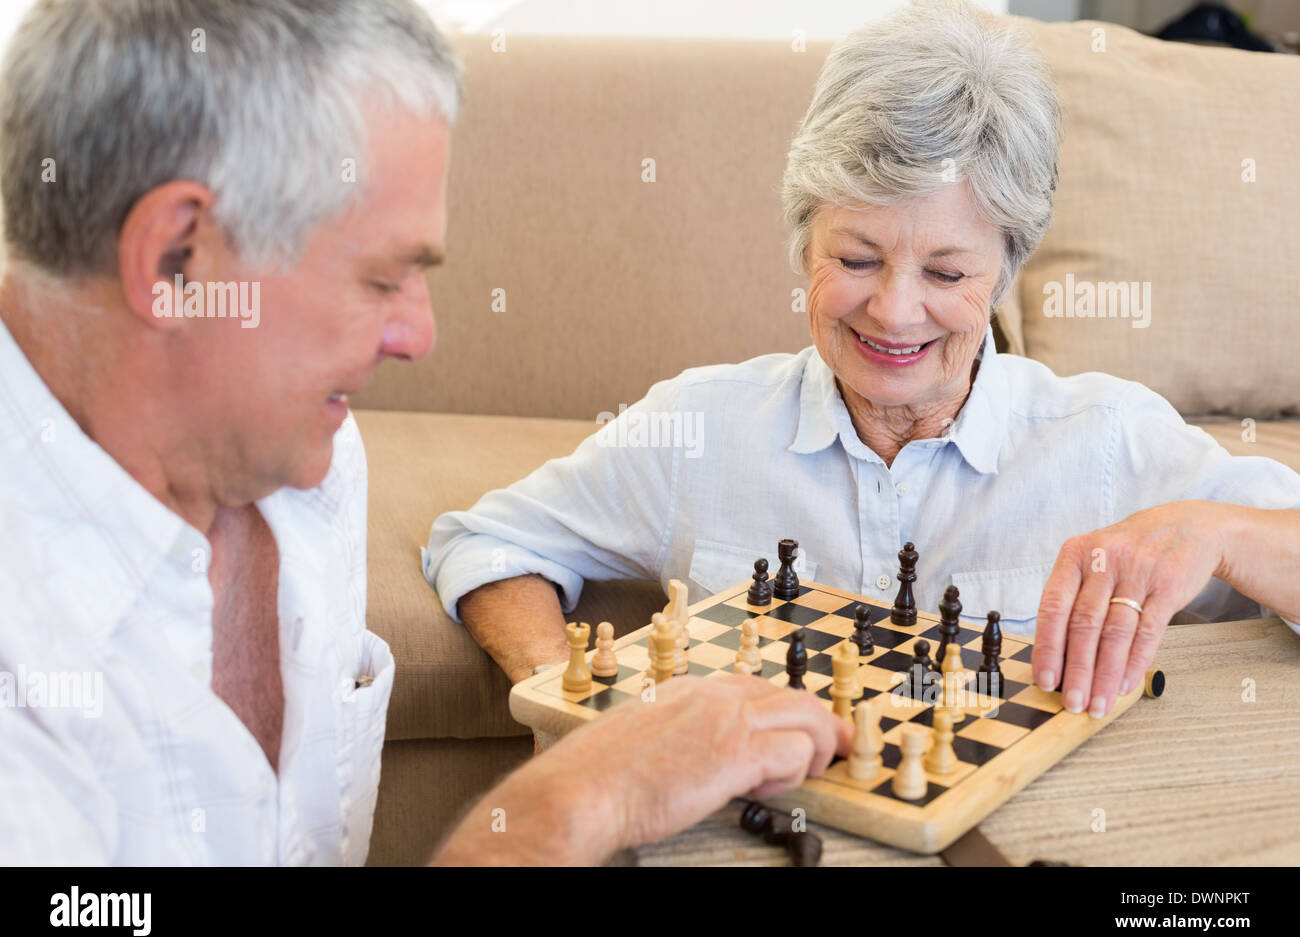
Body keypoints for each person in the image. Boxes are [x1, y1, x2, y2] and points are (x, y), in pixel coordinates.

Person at [0, 0, 847, 867]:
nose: (419, 336)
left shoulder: (310, 470)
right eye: (380, 279)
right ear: (179, 260)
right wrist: (573, 800)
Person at [425, 0, 1300, 740]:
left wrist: (1219, 532)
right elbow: (482, 542)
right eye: (856, 259)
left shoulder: (1109, 443)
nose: (893, 311)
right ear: (804, 239)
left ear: (1008, 269)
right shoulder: (699, 430)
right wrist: (575, 712)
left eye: (948, 274)